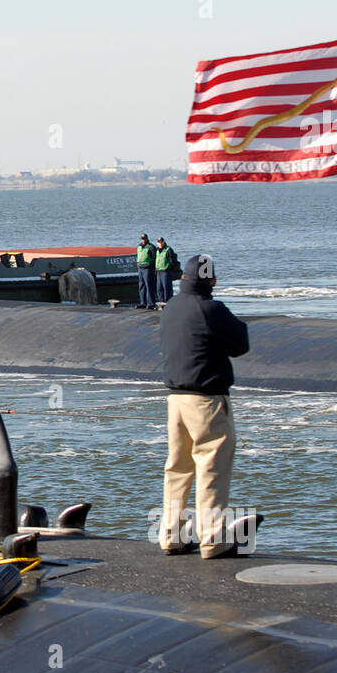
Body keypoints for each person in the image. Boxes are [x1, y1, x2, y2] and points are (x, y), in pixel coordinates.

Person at [157, 255, 250, 559]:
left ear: (183, 277)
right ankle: (213, 539)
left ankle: (172, 535)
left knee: (178, 468)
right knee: (211, 467)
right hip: (207, 401)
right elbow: (240, 344)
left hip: (175, 399)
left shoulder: (171, 307)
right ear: (211, 280)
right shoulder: (212, 309)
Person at [154, 237, 178, 304]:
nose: (160, 243)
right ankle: (161, 301)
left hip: (165, 271)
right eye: (159, 242)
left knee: (167, 287)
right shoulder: (157, 250)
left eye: (161, 242)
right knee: (159, 288)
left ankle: (168, 302)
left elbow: (172, 261)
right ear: (157, 243)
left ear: (163, 242)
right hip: (158, 271)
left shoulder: (168, 249)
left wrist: (169, 268)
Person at [136, 233, 157, 309]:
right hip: (140, 268)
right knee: (141, 285)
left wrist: (153, 267)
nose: (143, 240)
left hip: (148, 268)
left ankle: (151, 303)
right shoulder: (139, 247)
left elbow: (155, 258)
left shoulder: (151, 247)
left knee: (149, 286)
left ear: (147, 239)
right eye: (142, 238)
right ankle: (143, 302)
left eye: (144, 238)